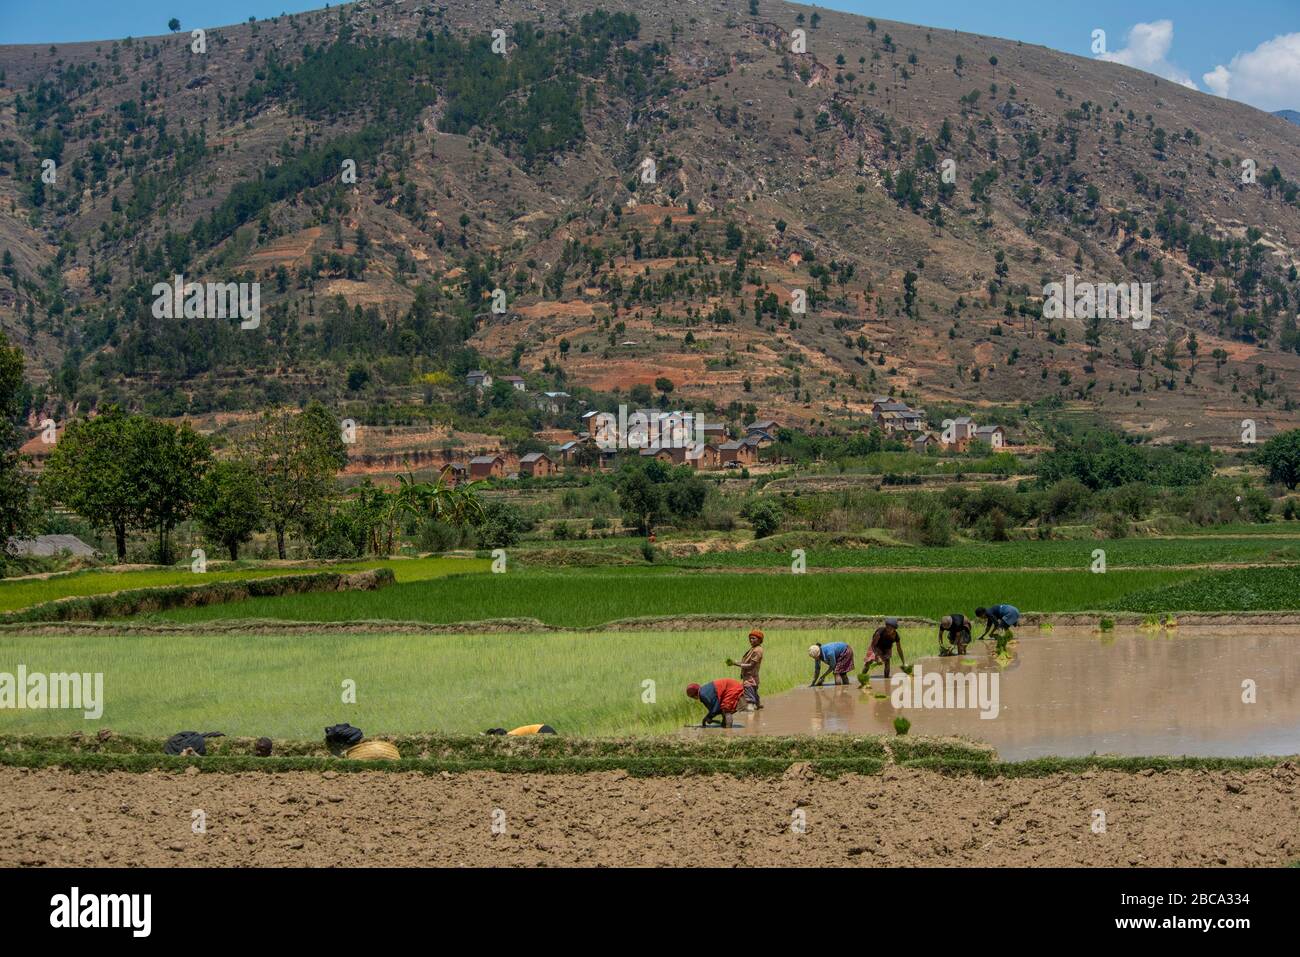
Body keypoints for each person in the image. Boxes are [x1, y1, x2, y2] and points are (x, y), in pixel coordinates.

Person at [728, 628, 765, 710]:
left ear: (759, 640)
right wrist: (739, 662)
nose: (751, 640)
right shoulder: (754, 649)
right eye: (750, 638)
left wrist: (736, 664)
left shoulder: (757, 650)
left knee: (749, 700)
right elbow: (748, 662)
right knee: (754, 693)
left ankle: (751, 718)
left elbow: (751, 665)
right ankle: (758, 706)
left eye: (753, 638)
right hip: (752, 677)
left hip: (750, 678)